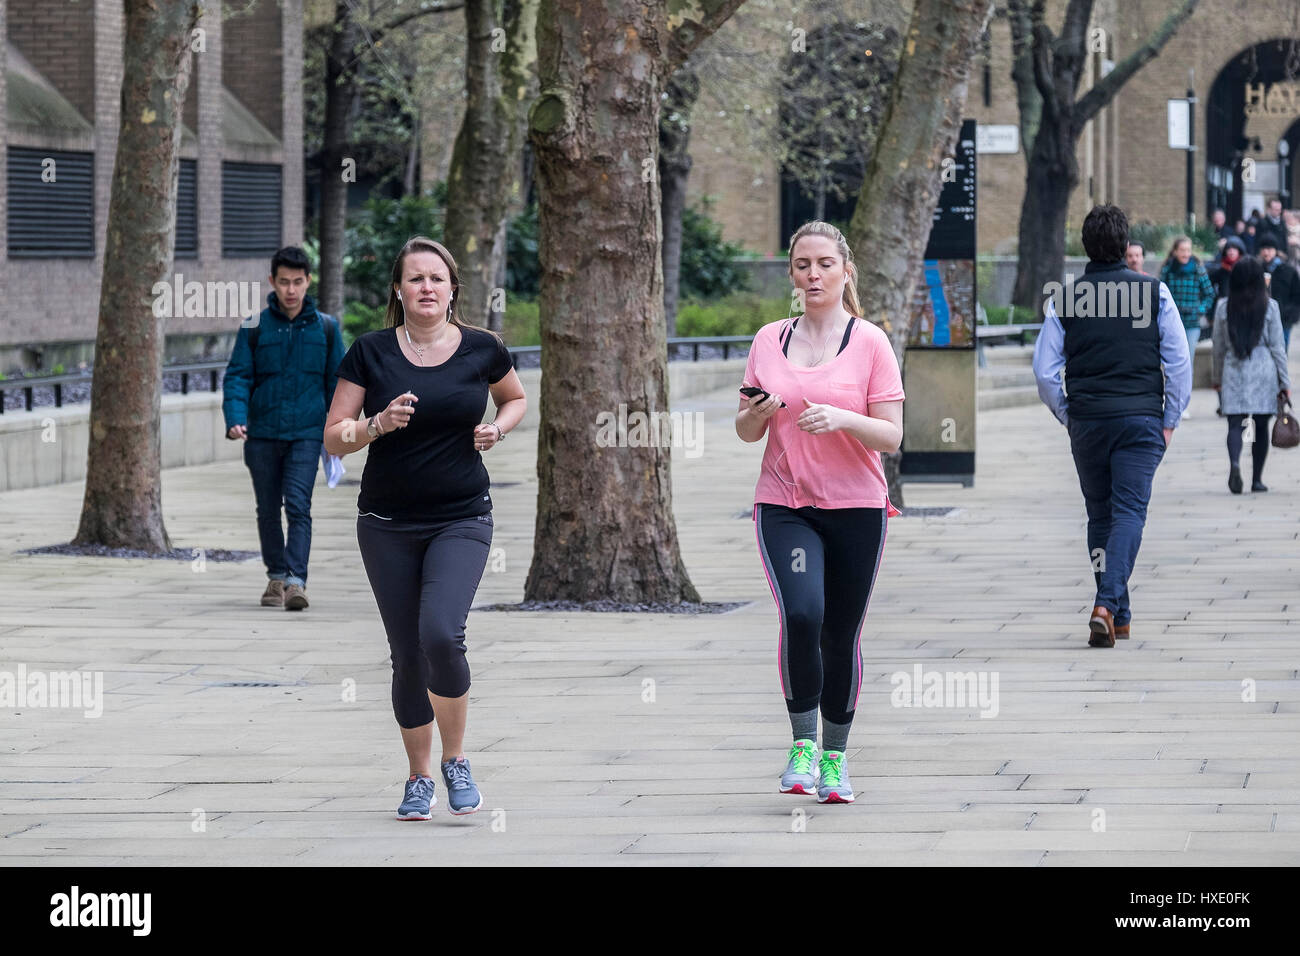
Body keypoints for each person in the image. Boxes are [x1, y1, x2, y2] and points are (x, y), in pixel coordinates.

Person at [324, 236, 526, 820]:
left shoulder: (483, 348)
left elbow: (514, 399)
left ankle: (456, 760)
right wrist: (375, 425)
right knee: (407, 653)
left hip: (462, 516)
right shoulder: (371, 352)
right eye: (415, 279)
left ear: (453, 288)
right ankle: (417, 777)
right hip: (386, 523)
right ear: (399, 289)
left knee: (441, 633)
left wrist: (498, 430)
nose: (427, 288)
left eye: (437, 278)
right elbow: (333, 434)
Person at [736, 220, 904, 804]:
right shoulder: (768, 340)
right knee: (803, 613)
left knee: (841, 633)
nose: (813, 274)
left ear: (845, 271)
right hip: (786, 505)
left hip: (857, 507)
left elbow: (891, 436)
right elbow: (744, 430)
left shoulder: (871, 342)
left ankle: (836, 758)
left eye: (825, 264)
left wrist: (842, 418)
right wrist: (760, 412)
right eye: (803, 264)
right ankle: (802, 746)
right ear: (791, 273)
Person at [1032, 205, 1191, 647]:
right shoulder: (1154, 293)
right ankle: (1106, 603)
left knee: (1100, 514)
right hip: (1141, 419)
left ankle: (1118, 614)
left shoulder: (1064, 298)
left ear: (1085, 247)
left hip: (1088, 420)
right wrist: (1170, 418)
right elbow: (1178, 363)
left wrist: (1068, 413)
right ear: (1126, 247)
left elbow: (1045, 372)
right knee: (1129, 513)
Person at [222, 246, 344, 611]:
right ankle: (275, 575)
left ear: (308, 282)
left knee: (298, 505)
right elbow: (238, 376)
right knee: (266, 508)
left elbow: (338, 383)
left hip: (306, 434)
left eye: (298, 282)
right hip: (261, 434)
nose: (291, 290)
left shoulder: (326, 327)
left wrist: (338, 429)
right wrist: (235, 417)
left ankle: (295, 581)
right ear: (272, 282)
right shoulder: (253, 326)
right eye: (284, 282)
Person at [1211, 257, 1292, 493]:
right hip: (1263, 368)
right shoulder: (1270, 306)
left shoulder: (1224, 306)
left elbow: (1218, 346)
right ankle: (1257, 479)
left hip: (1234, 367)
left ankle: (1235, 464)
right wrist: (1284, 382)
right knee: (1260, 425)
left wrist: (1216, 378)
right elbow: (1278, 347)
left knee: (1234, 423)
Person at [1157, 236, 1216, 400]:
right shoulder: (1168, 269)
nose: (1185, 253)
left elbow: (1209, 293)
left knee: (1186, 362)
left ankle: (1183, 400)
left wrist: (1200, 310)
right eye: (1182, 250)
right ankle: (1168, 397)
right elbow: (1159, 292)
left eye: (1188, 250)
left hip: (1191, 323)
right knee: (1168, 362)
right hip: (1171, 322)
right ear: (1175, 251)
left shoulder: (1198, 268)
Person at [1256, 236, 1300, 353]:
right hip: (1260, 319)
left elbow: (1297, 295)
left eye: (1269, 248)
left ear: (1276, 250)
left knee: (1281, 352)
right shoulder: (1255, 269)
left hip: (1283, 319)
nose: (1266, 252)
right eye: (1263, 249)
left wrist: (1290, 313)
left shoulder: (1288, 270)